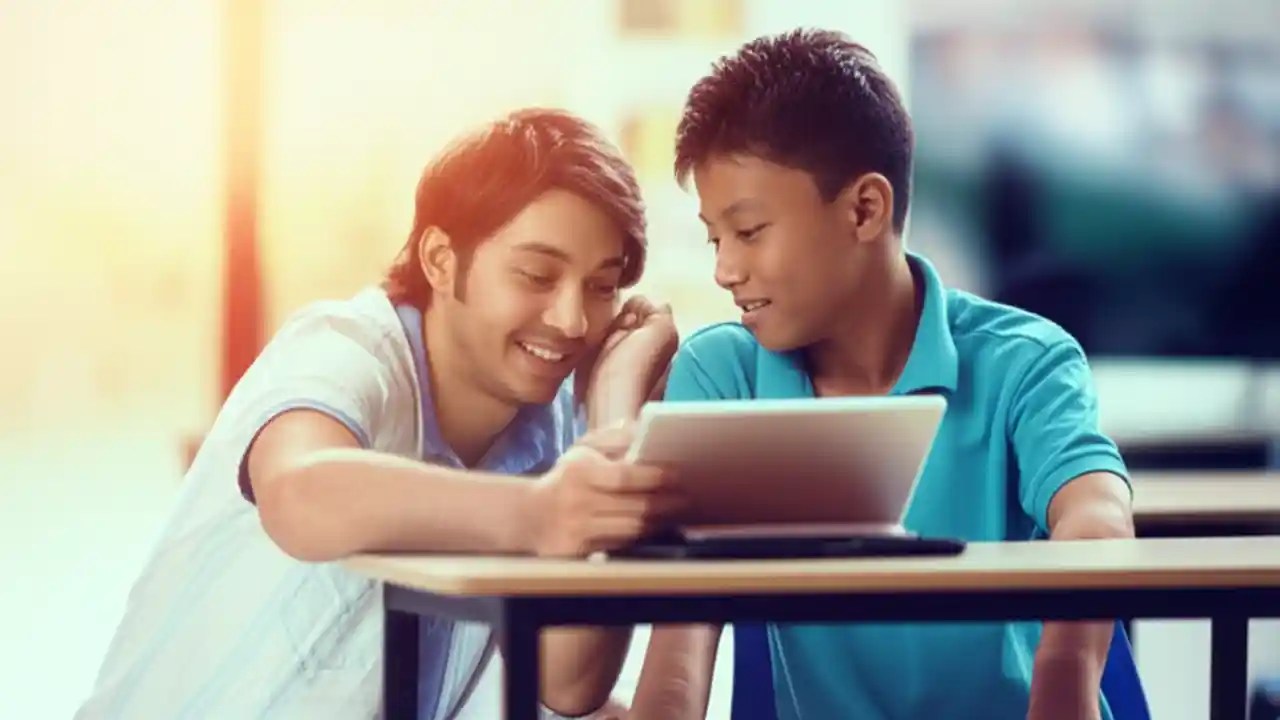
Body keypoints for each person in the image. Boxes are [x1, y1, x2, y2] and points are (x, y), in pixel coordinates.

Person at [74, 108, 682, 720]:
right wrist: (541, 514)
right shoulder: (345, 348)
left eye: (602, 287)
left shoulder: (552, 434)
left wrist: (615, 414)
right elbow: (300, 494)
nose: (573, 320)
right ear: (441, 261)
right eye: (536, 275)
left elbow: (569, 683)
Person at [627, 29, 1135, 720]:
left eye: (749, 232)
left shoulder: (1026, 359)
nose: (725, 270)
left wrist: (1065, 668)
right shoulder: (722, 375)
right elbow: (682, 634)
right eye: (716, 238)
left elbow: (1097, 515)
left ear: (865, 209)